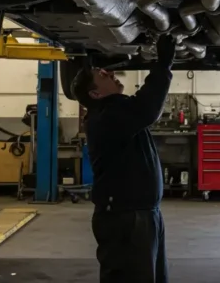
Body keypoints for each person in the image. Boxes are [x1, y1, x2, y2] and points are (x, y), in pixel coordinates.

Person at [71, 34, 176, 283]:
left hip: (139, 215)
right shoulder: (105, 118)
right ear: (95, 94)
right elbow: (147, 108)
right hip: (126, 219)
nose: (109, 73)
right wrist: (163, 65)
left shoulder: (112, 112)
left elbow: (142, 108)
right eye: (102, 76)